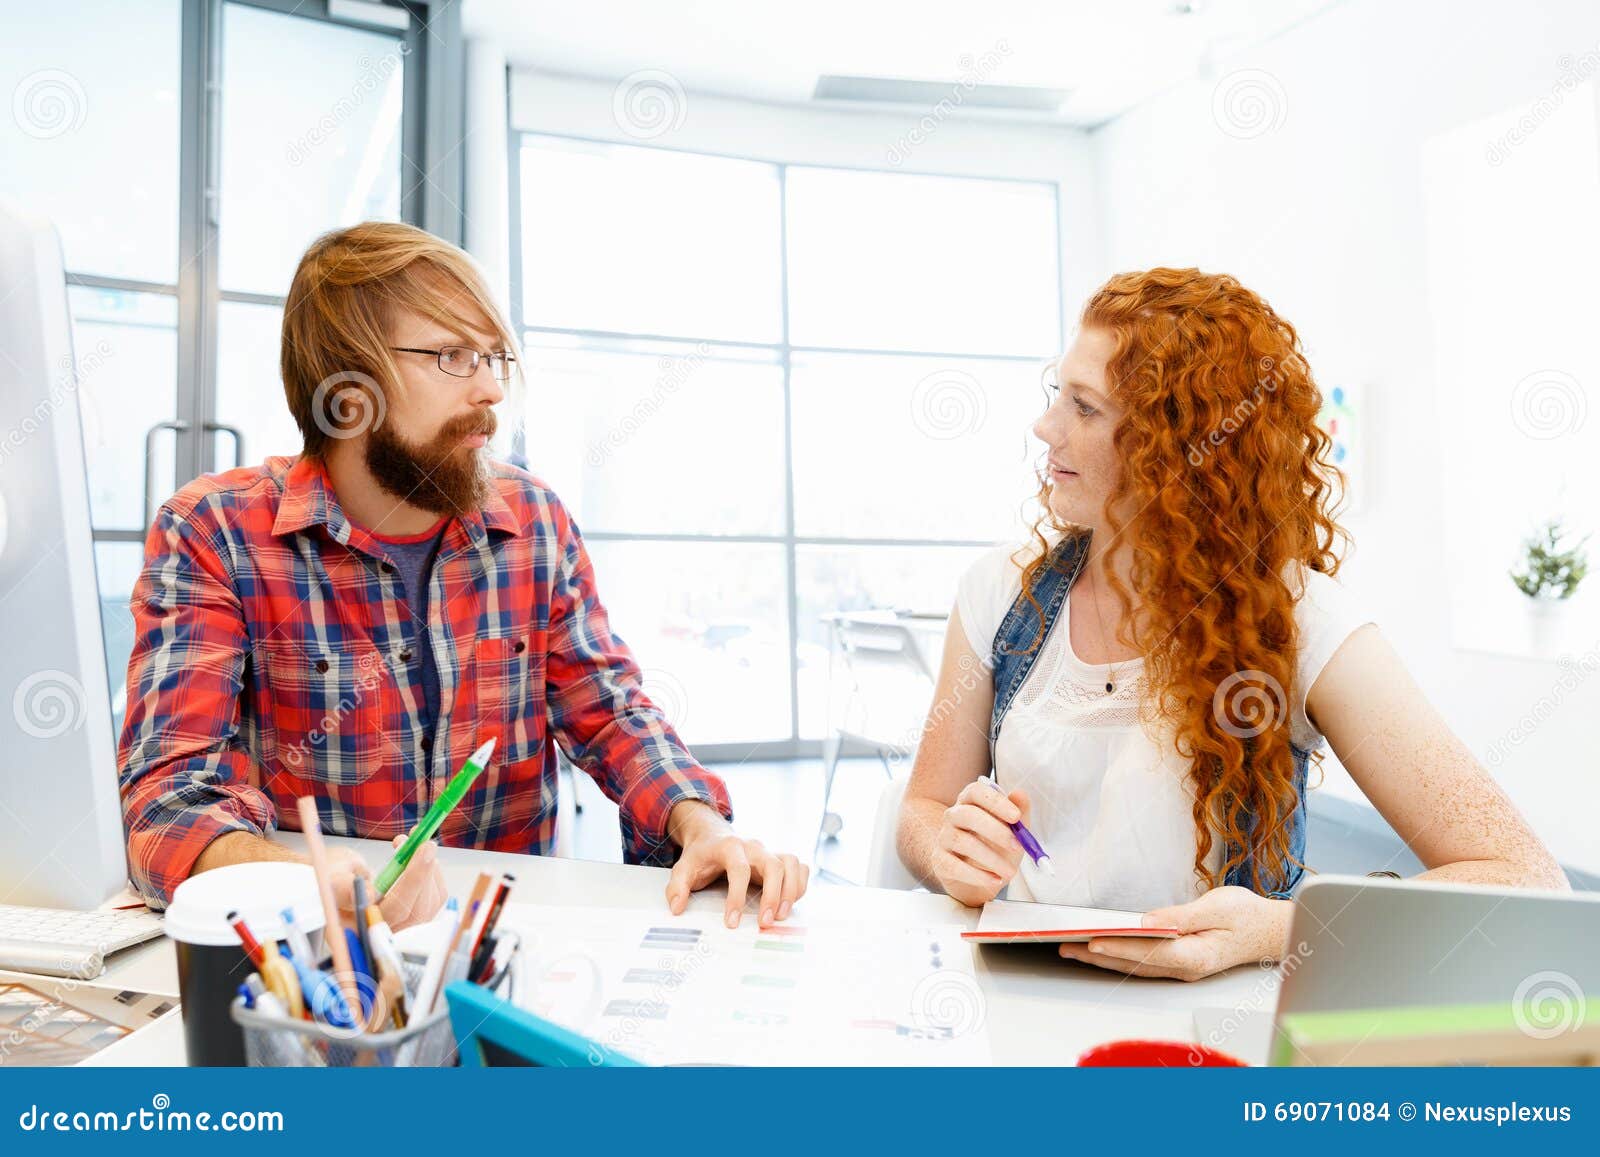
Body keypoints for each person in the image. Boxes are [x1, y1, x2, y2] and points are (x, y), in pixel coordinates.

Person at [118, 221, 809, 929]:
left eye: (493, 358)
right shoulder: (215, 530)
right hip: (322, 958)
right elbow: (169, 802)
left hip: (503, 945)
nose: (490, 390)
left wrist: (702, 825)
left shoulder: (533, 518)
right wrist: (309, 886)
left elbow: (612, 712)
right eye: (452, 355)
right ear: (347, 388)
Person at [896, 267, 1567, 980]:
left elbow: (1522, 878)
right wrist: (946, 850)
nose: (1045, 427)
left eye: (1085, 409)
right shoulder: (1001, 592)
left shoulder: (1301, 619)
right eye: (1057, 395)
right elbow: (924, 806)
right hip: (1017, 1010)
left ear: (1173, 449)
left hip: (1208, 1038)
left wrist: (1277, 927)